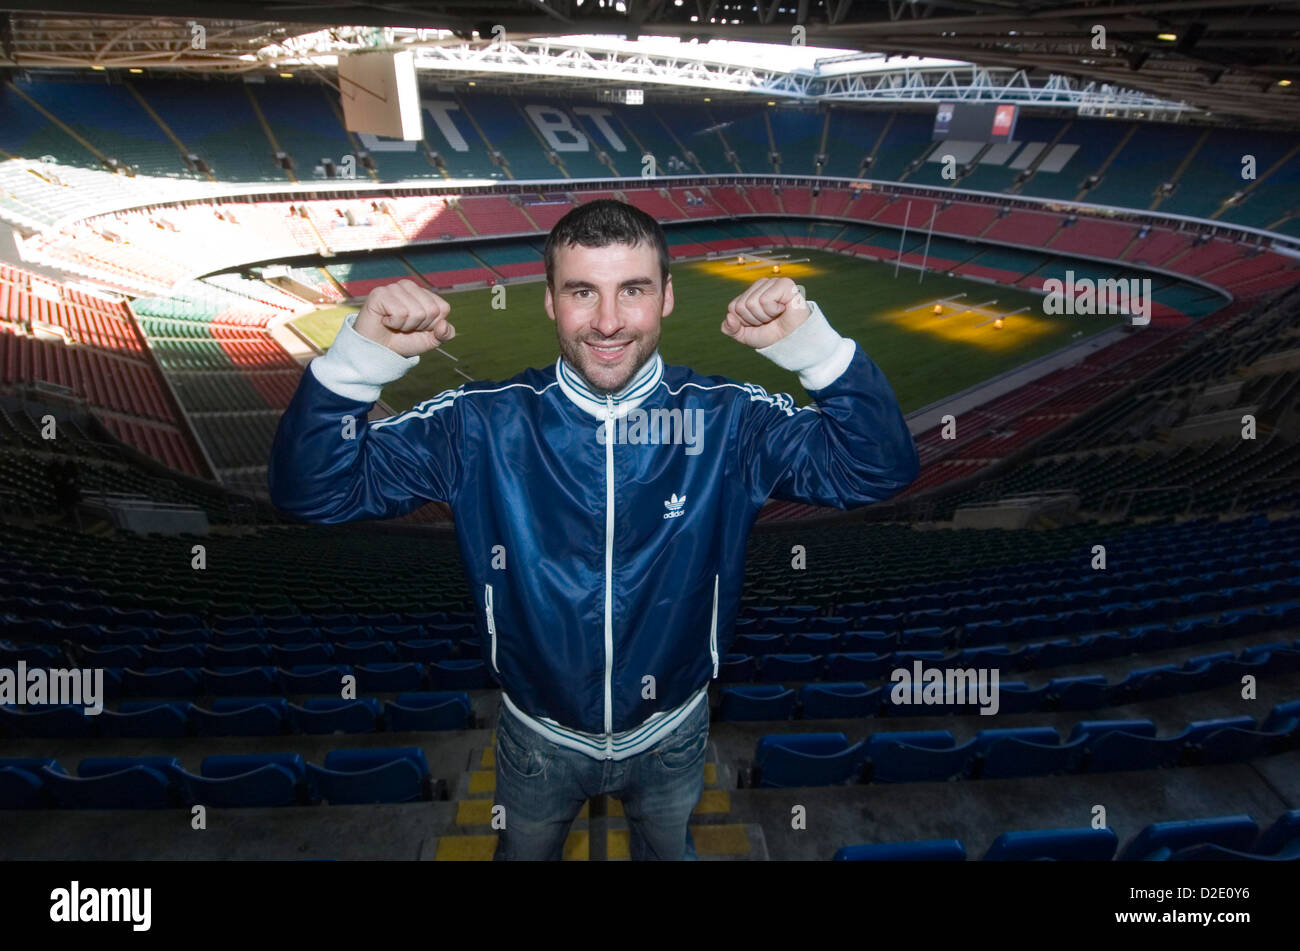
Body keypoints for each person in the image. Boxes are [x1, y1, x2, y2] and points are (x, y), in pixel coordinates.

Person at [267, 199, 919, 860]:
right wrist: (356, 362)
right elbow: (313, 491)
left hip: (675, 732)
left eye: (631, 290)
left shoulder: (730, 422)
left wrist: (814, 346)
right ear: (550, 301)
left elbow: (876, 468)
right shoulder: (479, 425)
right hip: (536, 736)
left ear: (666, 296)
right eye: (583, 291)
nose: (608, 322)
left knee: (666, 849)